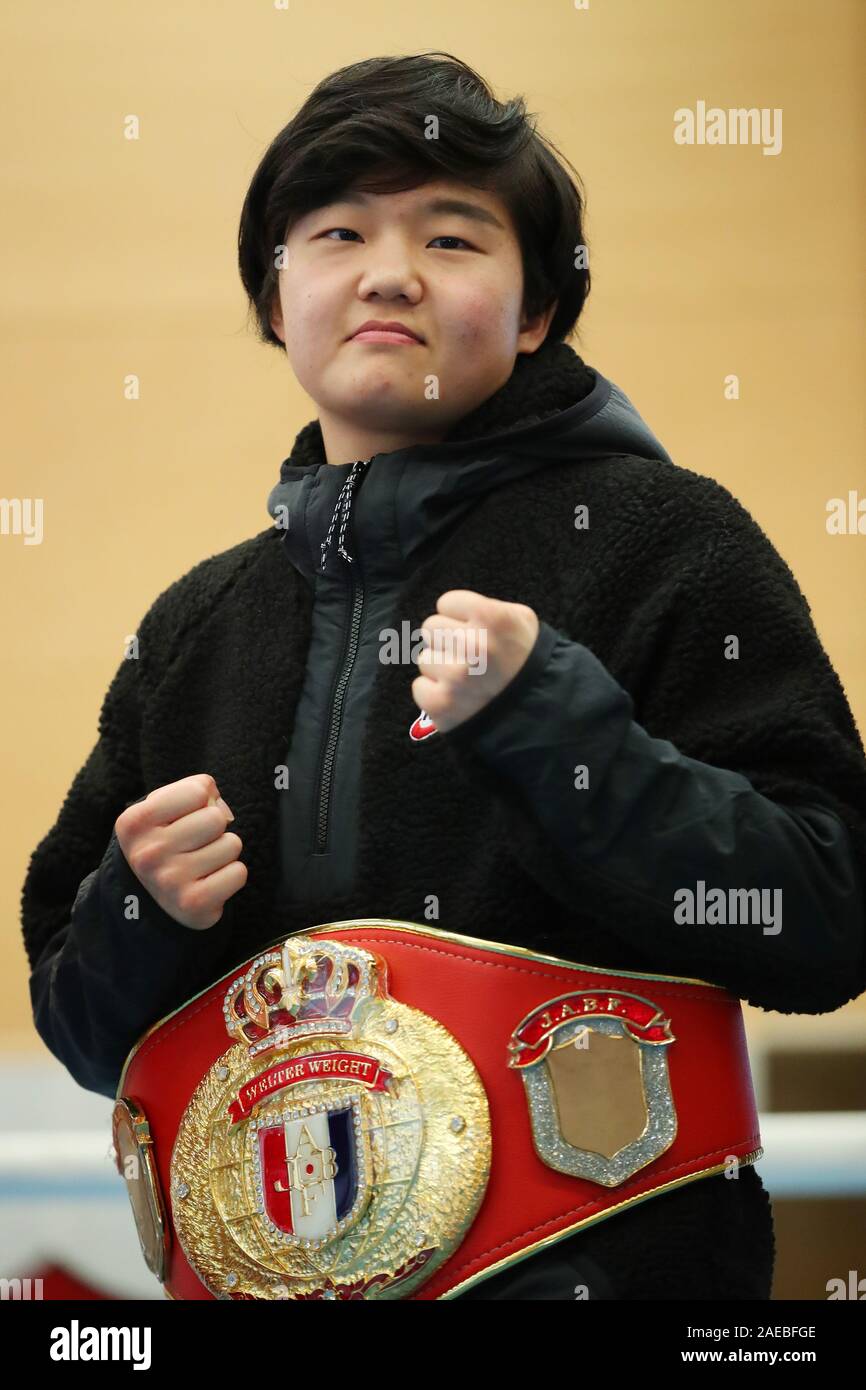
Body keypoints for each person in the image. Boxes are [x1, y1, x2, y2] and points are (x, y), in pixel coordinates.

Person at [21, 51, 866, 1301]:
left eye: (454, 237)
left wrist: (560, 731)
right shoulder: (197, 622)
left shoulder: (665, 540)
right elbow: (85, 1036)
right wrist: (139, 909)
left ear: (535, 310)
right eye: (336, 232)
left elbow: (824, 917)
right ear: (274, 297)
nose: (387, 272)